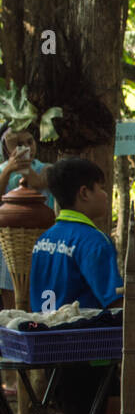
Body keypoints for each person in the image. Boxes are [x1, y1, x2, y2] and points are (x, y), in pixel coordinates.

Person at [27, 157, 124, 414]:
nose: (107, 195)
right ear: (84, 193)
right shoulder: (93, 241)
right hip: (87, 349)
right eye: (101, 188)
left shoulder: (45, 239)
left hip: (50, 345)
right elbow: (114, 299)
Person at [0, 127, 55, 307]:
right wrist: (8, 170)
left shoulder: (46, 168)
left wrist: (23, 167)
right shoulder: (2, 171)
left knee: (37, 300)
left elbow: (39, 182)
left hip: (40, 243)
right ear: (7, 148)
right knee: (11, 301)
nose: (26, 148)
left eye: (29, 142)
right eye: (19, 144)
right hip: (8, 248)